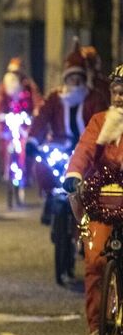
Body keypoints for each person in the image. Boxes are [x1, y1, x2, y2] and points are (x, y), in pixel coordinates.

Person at [62, 64, 123, 335]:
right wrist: (74, 174)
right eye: (116, 91)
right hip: (102, 200)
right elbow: (84, 149)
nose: (119, 97)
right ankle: (96, 330)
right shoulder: (100, 121)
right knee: (95, 259)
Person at [28, 46, 108, 224]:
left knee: (92, 182)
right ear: (66, 79)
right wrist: (32, 141)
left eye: (78, 78)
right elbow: (41, 118)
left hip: (86, 149)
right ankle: (49, 198)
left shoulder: (95, 98)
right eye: (71, 78)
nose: (75, 82)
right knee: (41, 165)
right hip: (58, 145)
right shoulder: (55, 98)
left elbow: (101, 124)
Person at [0, 57, 43, 182]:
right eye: (12, 73)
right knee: (3, 145)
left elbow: (37, 100)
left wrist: (37, 112)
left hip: (24, 122)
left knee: (26, 145)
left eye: (17, 73)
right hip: (7, 121)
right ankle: (5, 170)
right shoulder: (4, 85)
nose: (14, 76)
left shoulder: (29, 86)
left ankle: (26, 173)